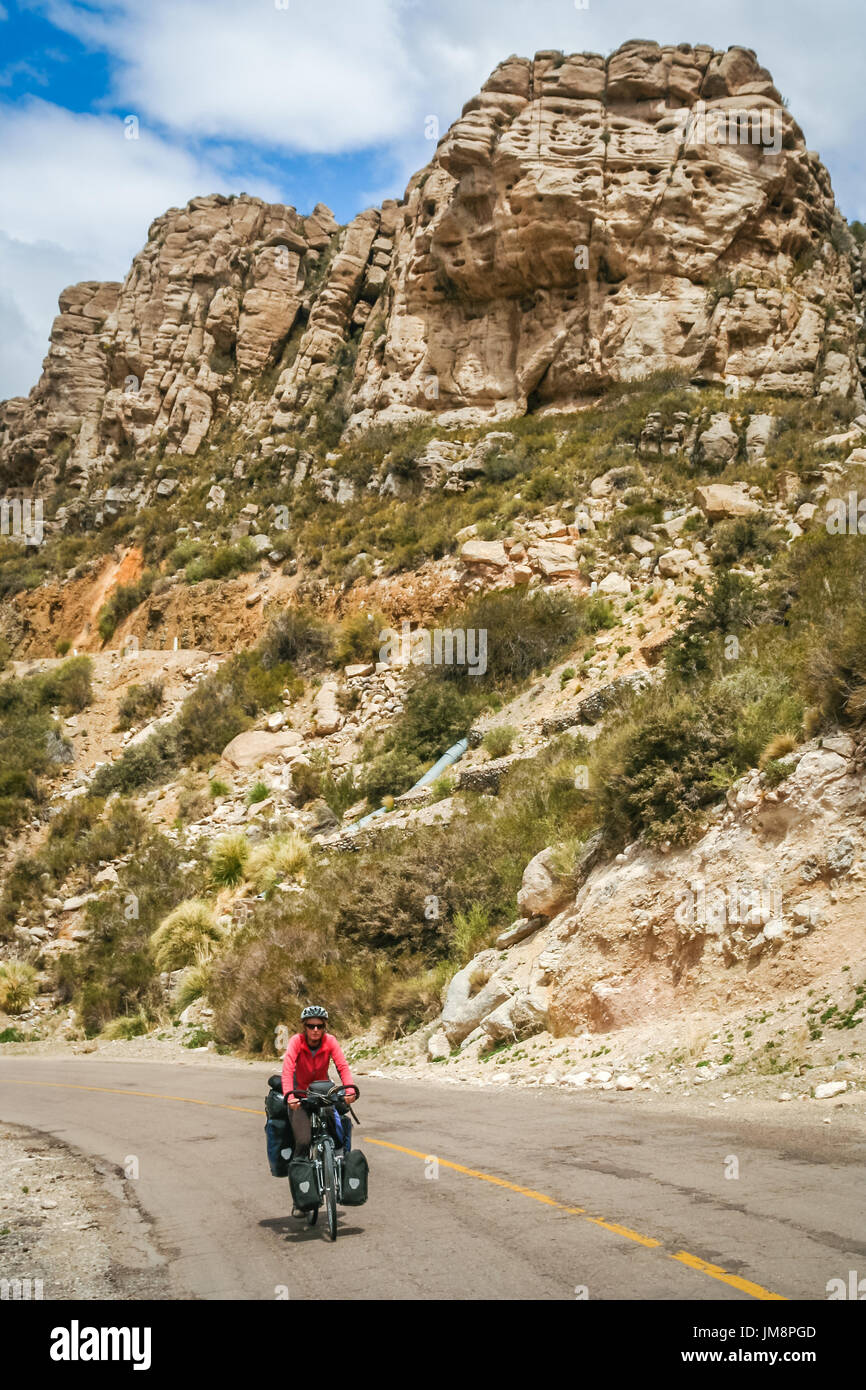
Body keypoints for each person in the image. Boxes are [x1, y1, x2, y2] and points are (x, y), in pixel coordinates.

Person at [281, 1005, 356, 1161]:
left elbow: (342, 1066)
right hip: (301, 1097)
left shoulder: (330, 1041)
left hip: (324, 1096)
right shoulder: (296, 1041)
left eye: (319, 1026)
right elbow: (287, 1070)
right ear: (304, 1027)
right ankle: (302, 1178)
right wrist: (290, 1098)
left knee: (337, 1135)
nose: (315, 1029)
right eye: (311, 1026)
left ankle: (338, 1163)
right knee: (303, 1141)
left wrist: (350, 1091)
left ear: (324, 1027)